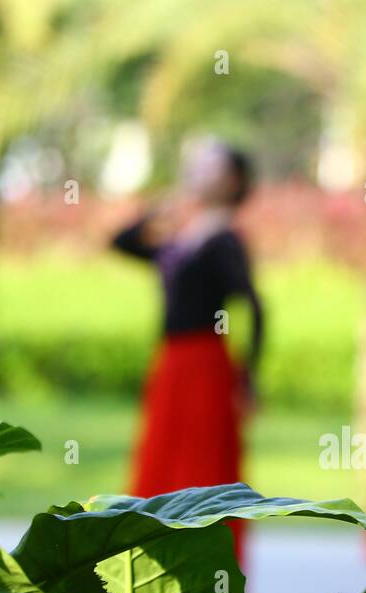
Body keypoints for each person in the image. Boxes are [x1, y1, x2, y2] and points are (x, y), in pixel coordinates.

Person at [111, 139, 262, 553]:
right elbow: (121, 242)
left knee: (204, 463)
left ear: (231, 181)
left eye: (209, 167)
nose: (197, 172)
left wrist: (248, 376)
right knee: (160, 456)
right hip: (172, 362)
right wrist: (160, 208)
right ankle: (155, 553)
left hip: (207, 363)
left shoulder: (225, 240)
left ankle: (210, 561)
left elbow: (254, 307)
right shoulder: (181, 239)